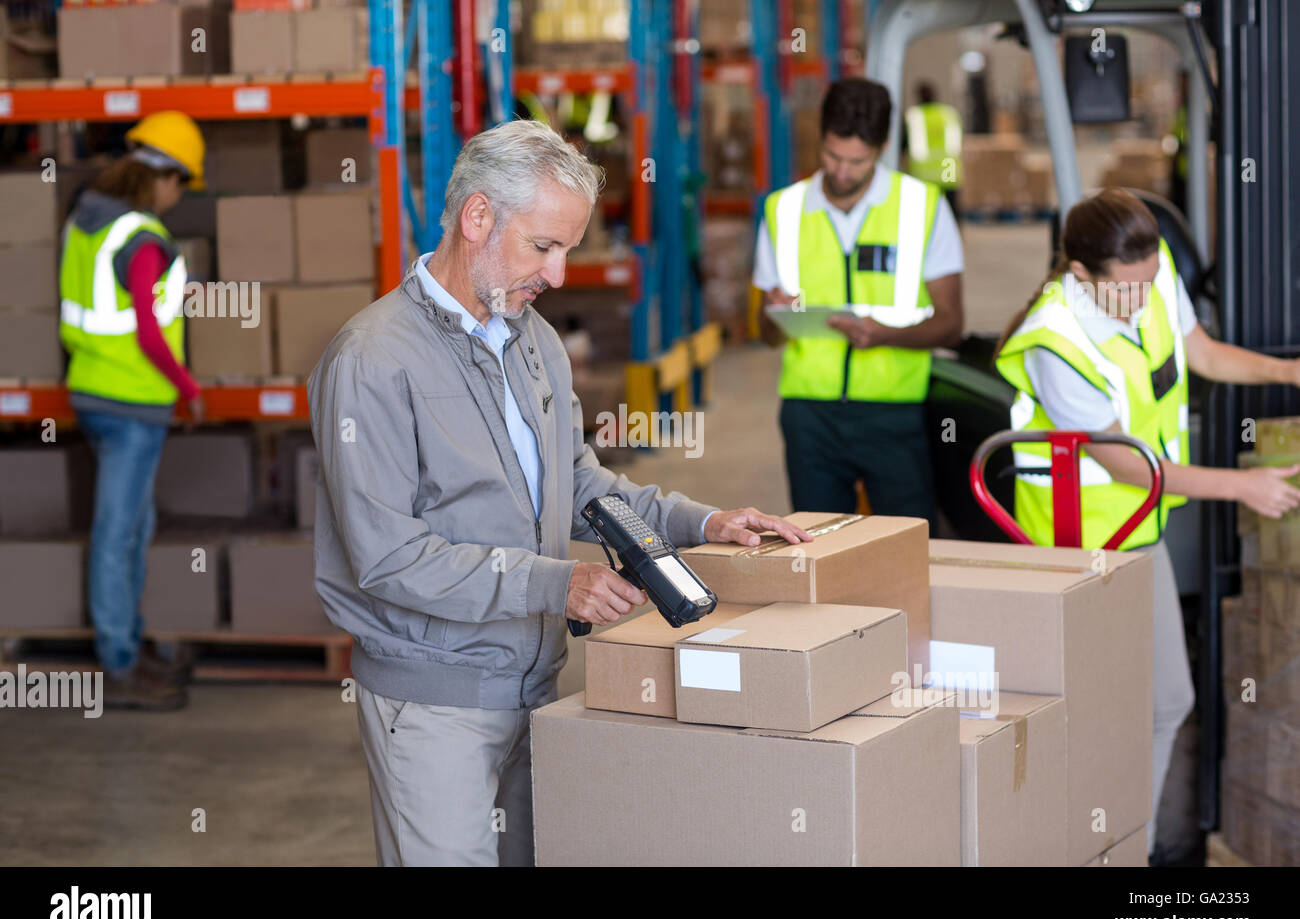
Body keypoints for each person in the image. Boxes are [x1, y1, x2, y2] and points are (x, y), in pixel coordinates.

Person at [307, 119, 811, 867]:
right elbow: (387, 557)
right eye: (544, 247)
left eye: (568, 250)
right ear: (478, 218)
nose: (559, 274)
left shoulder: (531, 339)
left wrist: (700, 522)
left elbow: (576, 484)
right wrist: (559, 584)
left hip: (534, 683)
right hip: (434, 701)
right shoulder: (373, 360)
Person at [994, 187, 1300, 856]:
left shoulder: (1151, 277)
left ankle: (1129, 847)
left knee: (1166, 701)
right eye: (1125, 290)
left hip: (1138, 534)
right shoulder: (1054, 342)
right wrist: (1242, 487)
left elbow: (1205, 356)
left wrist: (1289, 370)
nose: (1142, 299)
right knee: (1086, 712)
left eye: (1149, 281)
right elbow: (1129, 466)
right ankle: (1077, 845)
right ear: (1080, 275)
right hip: (1074, 548)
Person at [754, 77, 965, 523]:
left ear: (883, 148)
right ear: (821, 138)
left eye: (858, 161)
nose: (843, 171)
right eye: (832, 156)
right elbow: (765, 333)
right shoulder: (783, 210)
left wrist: (882, 334)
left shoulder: (923, 207)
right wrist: (776, 312)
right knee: (818, 555)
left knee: (902, 551)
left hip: (896, 415)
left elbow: (951, 323)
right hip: (809, 416)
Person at [59, 111, 207, 711]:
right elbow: (149, 330)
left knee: (130, 526)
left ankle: (130, 644)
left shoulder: (87, 221)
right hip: (133, 400)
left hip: (93, 393)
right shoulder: (141, 237)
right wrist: (185, 386)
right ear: (164, 177)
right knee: (119, 532)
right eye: (182, 184)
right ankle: (119, 662)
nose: (178, 197)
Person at [904, 81, 964, 220]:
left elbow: (906, 144)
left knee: (925, 212)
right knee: (950, 209)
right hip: (948, 167)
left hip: (924, 172)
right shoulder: (948, 113)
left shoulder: (914, 115)